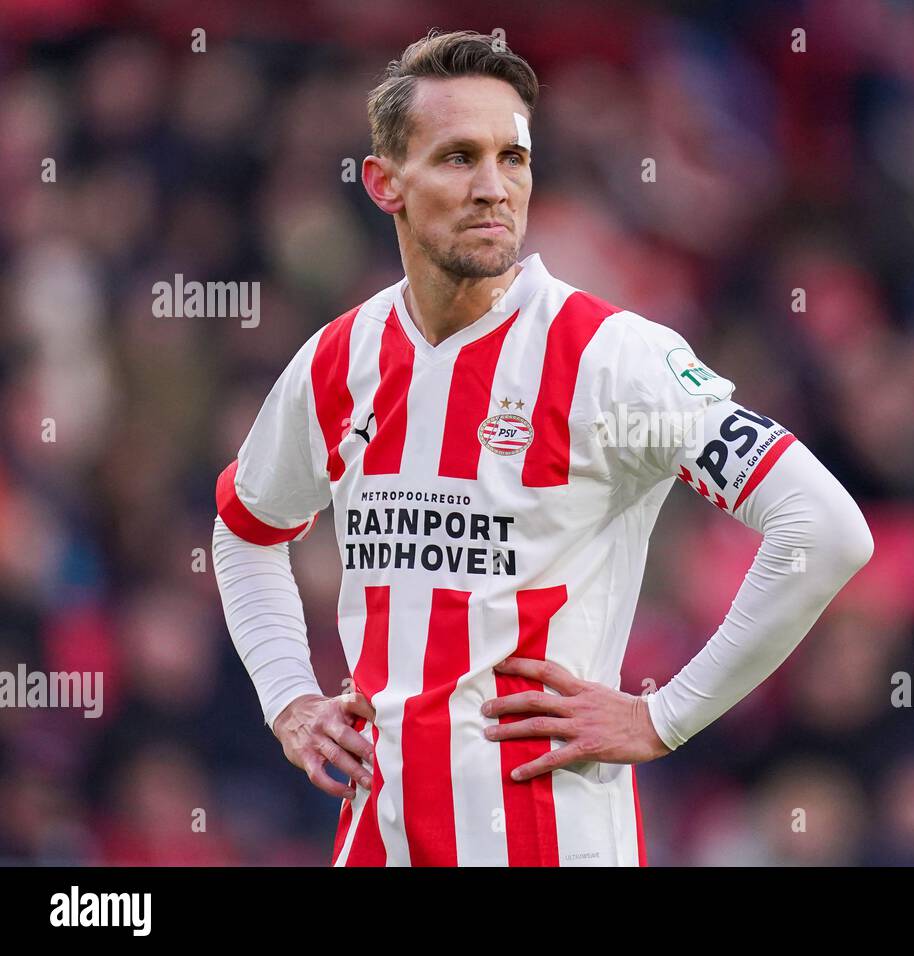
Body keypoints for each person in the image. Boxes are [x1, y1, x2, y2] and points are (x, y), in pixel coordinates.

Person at [212, 28, 874, 866]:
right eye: (458, 157)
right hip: (376, 842)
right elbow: (246, 531)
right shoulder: (341, 359)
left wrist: (663, 717)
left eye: (513, 158)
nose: (494, 187)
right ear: (384, 183)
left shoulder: (614, 357)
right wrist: (289, 698)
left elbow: (824, 528)